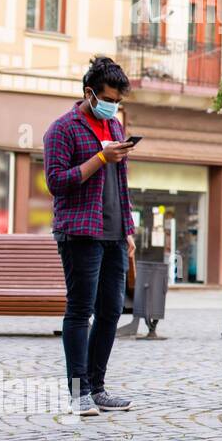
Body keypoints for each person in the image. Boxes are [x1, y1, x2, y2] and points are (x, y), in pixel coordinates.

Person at [42, 57, 137, 416]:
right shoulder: (62, 130)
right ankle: (78, 391)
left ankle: (97, 388)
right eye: (109, 97)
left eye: (118, 100)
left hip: (113, 233)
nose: (114, 105)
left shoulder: (114, 124)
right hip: (80, 231)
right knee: (81, 310)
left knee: (111, 310)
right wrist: (100, 157)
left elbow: (122, 183)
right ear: (89, 92)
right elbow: (56, 183)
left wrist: (127, 229)